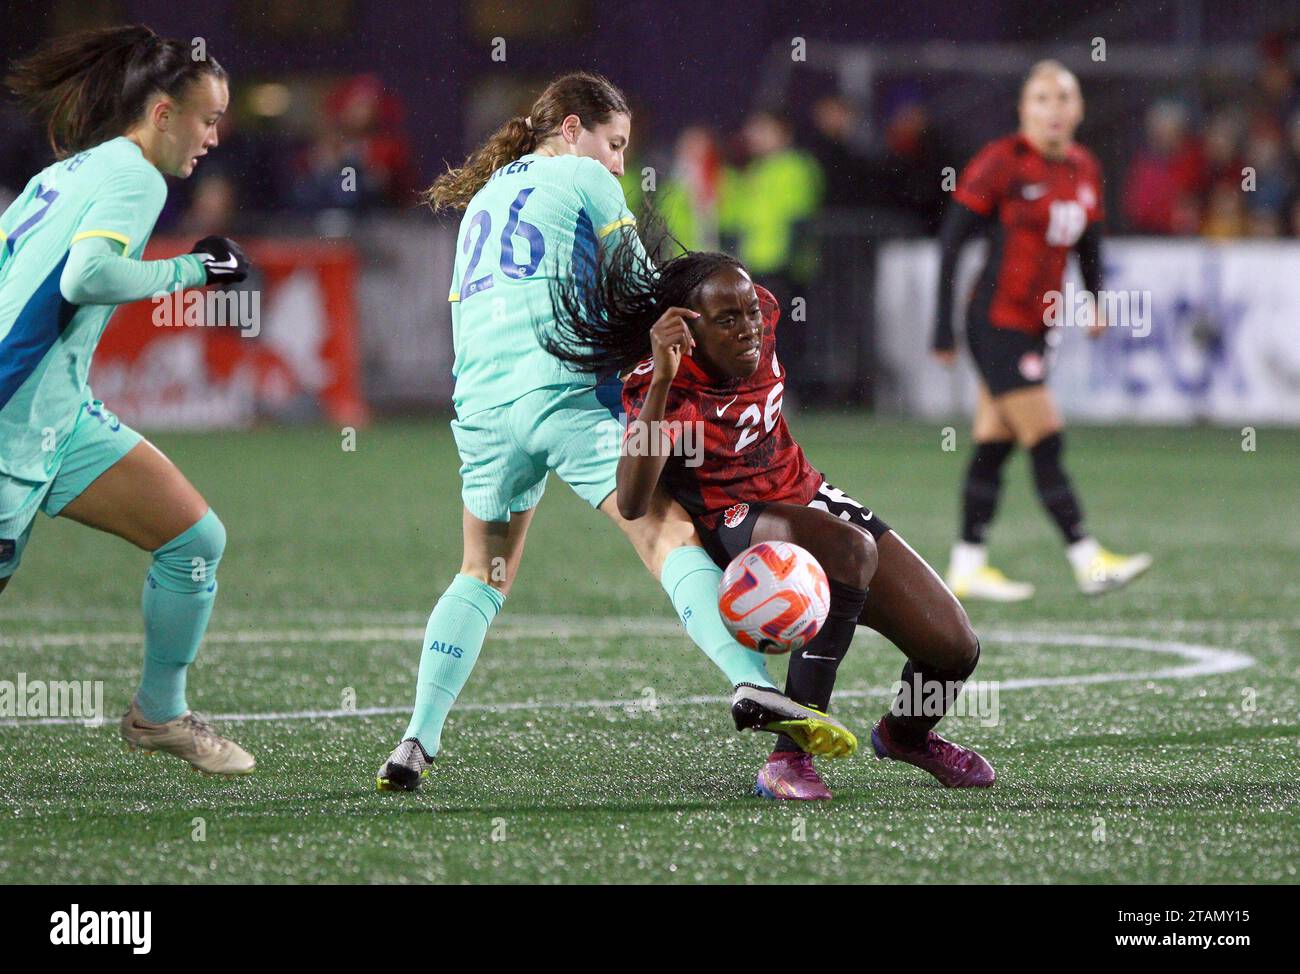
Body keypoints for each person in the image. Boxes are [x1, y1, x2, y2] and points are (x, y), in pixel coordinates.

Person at [376, 73, 854, 793]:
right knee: (665, 533)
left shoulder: (484, 199)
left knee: (482, 572)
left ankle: (417, 739)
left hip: (478, 404)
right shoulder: (583, 178)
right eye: (615, 144)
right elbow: (639, 290)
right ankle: (751, 680)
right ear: (571, 129)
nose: (619, 165)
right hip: (560, 394)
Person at [544, 240, 995, 800]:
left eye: (750, 312)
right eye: (727, 319)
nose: (748, 327)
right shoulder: (668, 382)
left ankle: (904, 736)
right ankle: (789, 759)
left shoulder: (765, 312)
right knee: (851, 551)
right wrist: (661, 380)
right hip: (734, 514)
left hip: (804, 492)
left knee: (955, 648)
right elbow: (633, 500)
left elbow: (752, 313)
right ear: (688, 330)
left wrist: (745, 314)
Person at [0, 25, 254, 773]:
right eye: (207, 119)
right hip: (13, 420)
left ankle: (160, 715)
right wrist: (192, 273)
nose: (214, 135)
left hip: (58, 415)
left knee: (194, 540)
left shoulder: (68, 171)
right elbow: (87, 278)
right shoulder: (136, 177)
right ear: (162, 113)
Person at [932, 60, 1152, 601]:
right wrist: (942, 327)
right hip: (995, 322)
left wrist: (1097, 302)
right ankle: (1087, 558)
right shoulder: (1001, 162)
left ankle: (966, 563)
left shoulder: (1082, 166)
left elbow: (1090, 244)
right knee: (1046, 439)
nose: (1053, 110)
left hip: (1039, 326)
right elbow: (952, 241)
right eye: (1041, 99)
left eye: (1063, 99)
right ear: (1023, 109)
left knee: (995, 443)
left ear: (1078, 109)